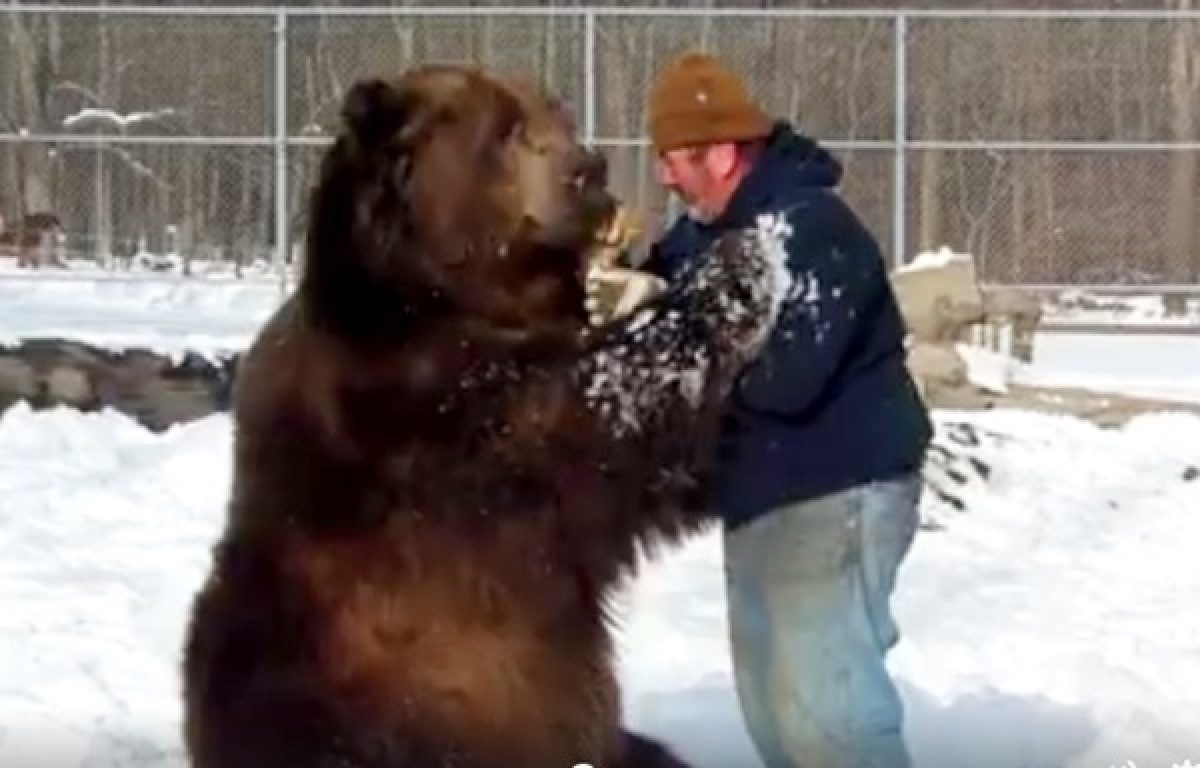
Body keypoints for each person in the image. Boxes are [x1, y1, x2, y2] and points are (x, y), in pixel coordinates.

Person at [639, 51, 934, 768]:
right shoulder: (717, 228)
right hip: (766, 497)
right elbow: (665, 279)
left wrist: (673, 337)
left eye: (675, 157)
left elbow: (783, 378)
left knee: (828, 718)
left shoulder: (808, 229)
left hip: (837, 491)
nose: (664, 176)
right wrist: (632, 280)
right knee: (778, 717)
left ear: (724, 154)